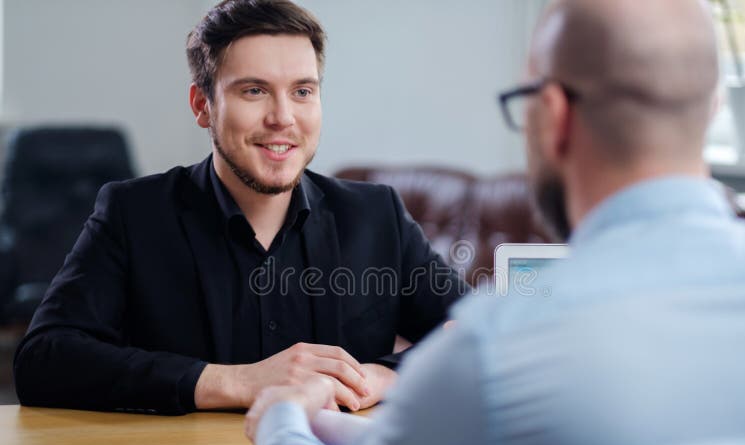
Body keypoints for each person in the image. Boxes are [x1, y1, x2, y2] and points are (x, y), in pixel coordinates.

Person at [243, 0, 745, 445]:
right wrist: (330, 424)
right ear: (713, 107)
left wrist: (282, 424)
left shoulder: (495, 347)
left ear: (554, 115)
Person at [12, 0, 464, 415]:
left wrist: (378, 378)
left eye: (302, 91)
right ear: (202, 105)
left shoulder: (375, 215)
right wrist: (234, 381)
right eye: (254, 91)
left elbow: (477, 332)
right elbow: (43, 360)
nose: (283, 117)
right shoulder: (133, 214)